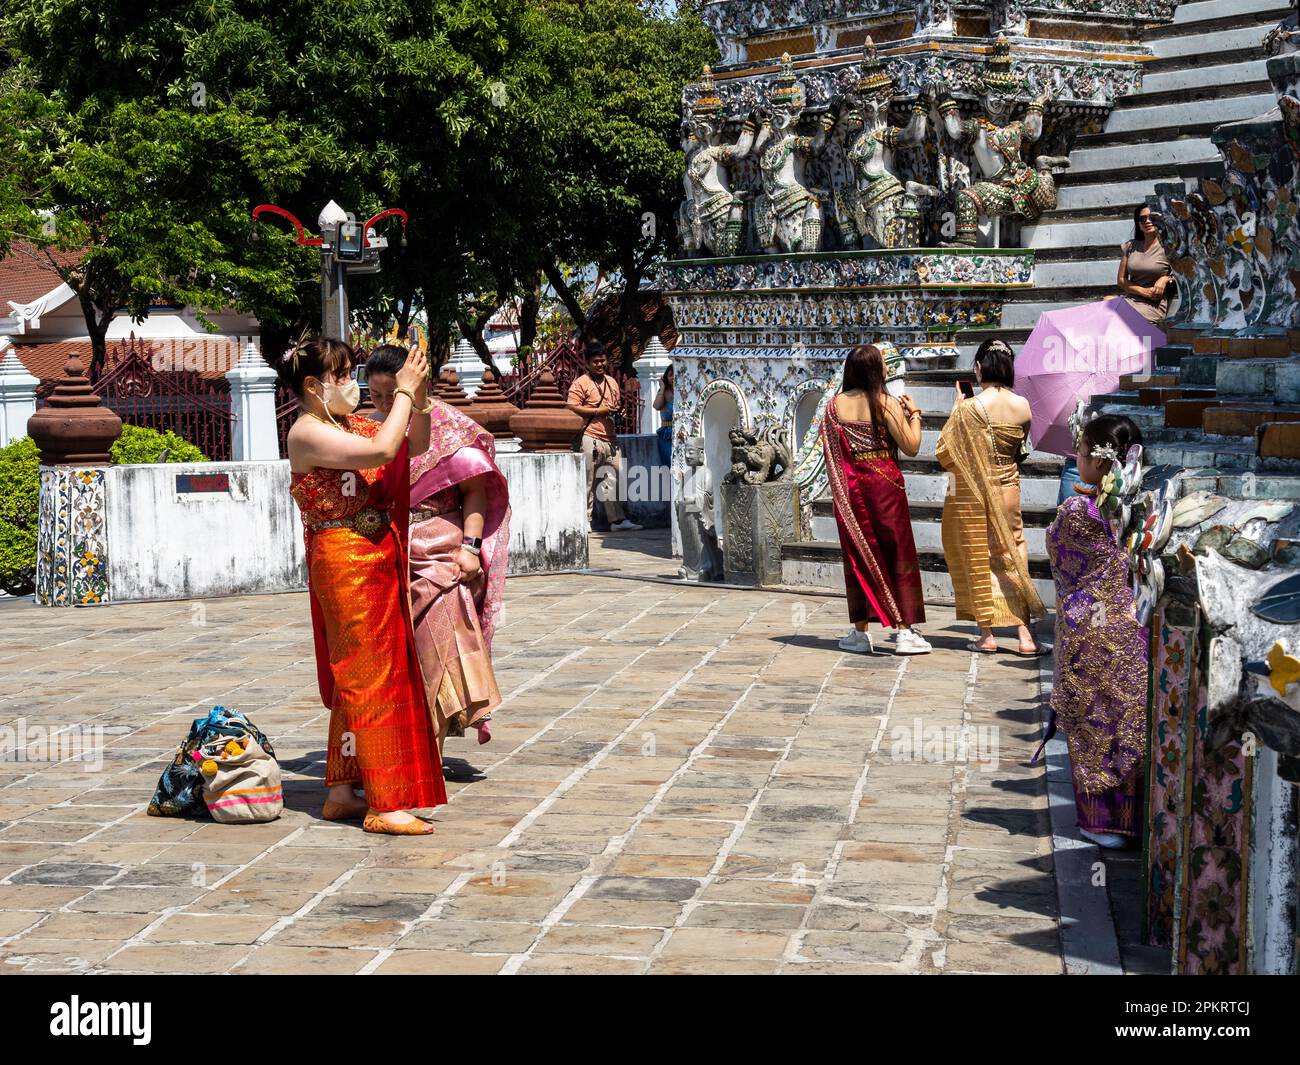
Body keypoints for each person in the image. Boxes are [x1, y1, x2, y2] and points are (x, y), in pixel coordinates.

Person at [283, 336, 444, 836]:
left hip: (376, 554)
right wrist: (400, 394)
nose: (350, 384)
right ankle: (384, 800)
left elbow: (413, 444)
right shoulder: (307, 433)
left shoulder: (346, 422)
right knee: (369, 673)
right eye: (342, 375)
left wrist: (415, 397)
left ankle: (340, 791)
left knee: (368, 668)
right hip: (344, 559)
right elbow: (381, 448)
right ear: (313, 385)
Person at [366, 344, 510, 749]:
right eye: (372, 395)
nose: (377, 403)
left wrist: (470, 547)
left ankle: (432, 750)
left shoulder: (451, 428)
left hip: (442, 554)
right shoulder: (372, 430)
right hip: (391, 549)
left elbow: (475, 494)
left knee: (439, 653)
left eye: (386, 395)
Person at [1046, 414, 1148, 849]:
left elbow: (1059, 551)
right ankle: (1129, 820)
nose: (1078, 459)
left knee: (1092, 723)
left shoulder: (1076, 510)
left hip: (1087, 626)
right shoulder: (1141, 509)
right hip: (1130, 625)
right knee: (1125, 722)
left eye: (1083, 453)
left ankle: (1100, 822)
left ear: (1102, 463)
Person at [936, 338, 1048, 655]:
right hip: (1009, 488)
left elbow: (944, 452)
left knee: (977, 553)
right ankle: (1025, 635)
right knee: (1013, 553)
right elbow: (1017, 448)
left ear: (979, 368)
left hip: (973, 492)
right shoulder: (1023, 406)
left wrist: (956, 410)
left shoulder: (970, 408)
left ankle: (987, 634)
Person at [823, 345, 930, 655]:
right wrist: (916, 415)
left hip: (853, 490)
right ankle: (904, 630)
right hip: (885, 485)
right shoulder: (886, 403)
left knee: (860, 555)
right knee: (898, 553)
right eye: (883, 364)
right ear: (874, 369)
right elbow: (911, 446)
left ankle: (861, 631)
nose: (886, 369)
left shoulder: (833, 407)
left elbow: (832, 453)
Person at [567, 343, 642, 532]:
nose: (600, 364)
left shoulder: (612, 382)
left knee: (613, 479)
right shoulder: (580, 383)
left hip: (611, 439)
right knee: (588, 480)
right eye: (596, 361)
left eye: (602, 360)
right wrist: (598, 410)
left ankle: (616, 520)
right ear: (587, 363)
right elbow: (571, 406)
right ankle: (584, 520)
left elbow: (615, 405)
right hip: (589, 436)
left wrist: (618, 412)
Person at [1117, 203, 1172, 325]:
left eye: (1151, 217)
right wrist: (1143, 291)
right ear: (1138, 224)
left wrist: (1165, 278)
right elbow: (1121, 280)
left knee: (1112, 313)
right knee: (1105, 303)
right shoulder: (1130, 246)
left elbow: (1184, 274)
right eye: (1143, 219)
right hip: (1133, 298)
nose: (1147, 221)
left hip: (1154, 304)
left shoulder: (1168, 246)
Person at [653, 364, 674, 467]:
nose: (674, 377)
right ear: (666, 377)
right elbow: (656, 406)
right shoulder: (664, 392)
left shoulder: (688, 391)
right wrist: (662, 388)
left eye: (677, 374)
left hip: (683, 433)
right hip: (667, 434)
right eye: (671, 375)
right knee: (669, 464)